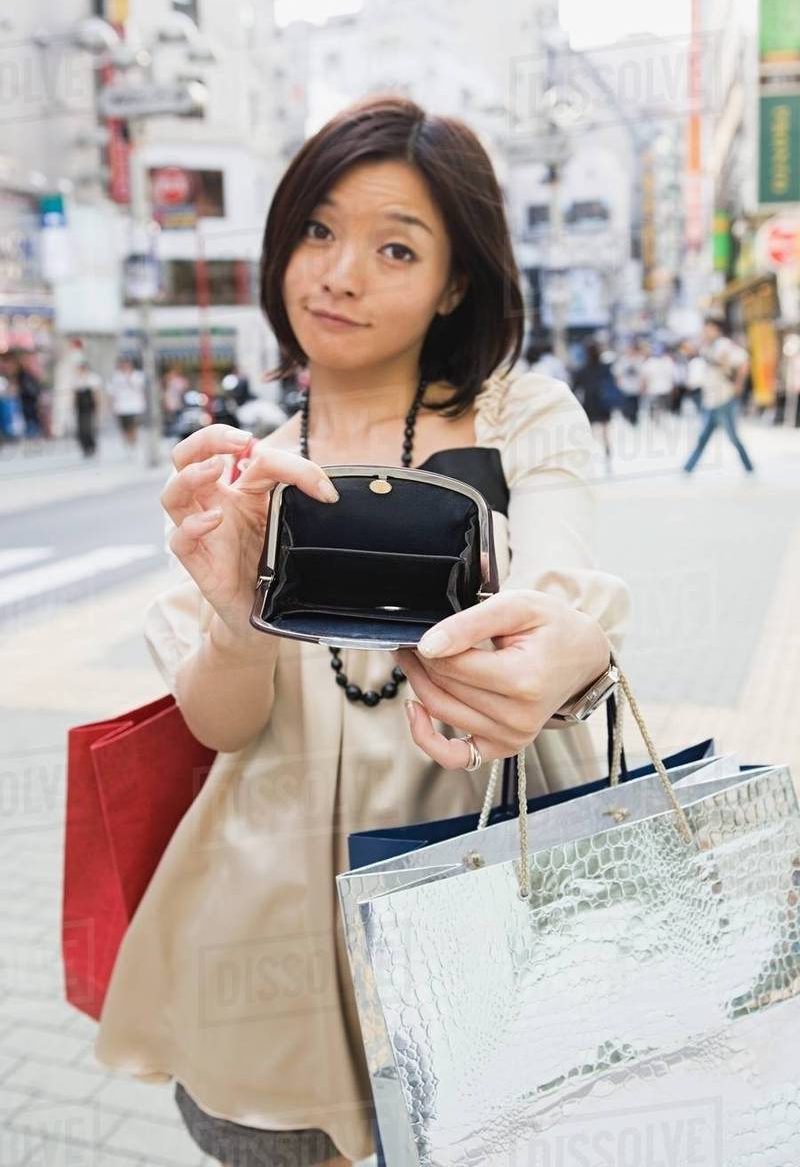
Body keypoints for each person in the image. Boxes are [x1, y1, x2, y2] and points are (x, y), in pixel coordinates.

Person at [93, 94, 630, 1167]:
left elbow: (564, 595)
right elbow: (223, 727)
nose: (338, 273)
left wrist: (564, 657)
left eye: (395, 247)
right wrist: (234, 609)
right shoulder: (244, 469)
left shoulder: (516, 415)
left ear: (455, 282)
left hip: (493, 892)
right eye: (316, 230)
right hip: (265, 924)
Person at [683, 314, 754, 475]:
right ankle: (688, 467)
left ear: (715, 329)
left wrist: (738, 385)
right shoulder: (708, 346)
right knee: (704, 436)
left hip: (724, 397)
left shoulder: (724, 344)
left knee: (732, 436)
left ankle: (748, 465)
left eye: (707, 328)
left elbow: (744, 362)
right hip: (711, 398)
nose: (705, 332)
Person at [571, 337, 615, 467]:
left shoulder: (582, 370)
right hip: (603, 402)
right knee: (605, 430)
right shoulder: (605, 368)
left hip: (590, 402)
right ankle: (607, 452)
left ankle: (589, 453)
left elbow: (575, 388)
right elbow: (612, 383)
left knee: (589, 430)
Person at [109, 356, 146, 450]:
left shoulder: (137, 375)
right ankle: (128, 441)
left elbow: (141, 389)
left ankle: (133, 441)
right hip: (121, 407)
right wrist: (112, 406)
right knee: (124, 427)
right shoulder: (116, 377)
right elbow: (112, 392)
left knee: (133, 425)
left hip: (134, 405)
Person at [71, 360, 103, 457]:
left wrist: (98, 406)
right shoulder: (76, 379)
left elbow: (96, 394)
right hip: (80, 407)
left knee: (88, 428)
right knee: (80, 429)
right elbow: (74, 394)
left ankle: (91, 446)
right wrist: (72, 406)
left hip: (89, 406)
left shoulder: (92, 378)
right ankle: (84, 447)